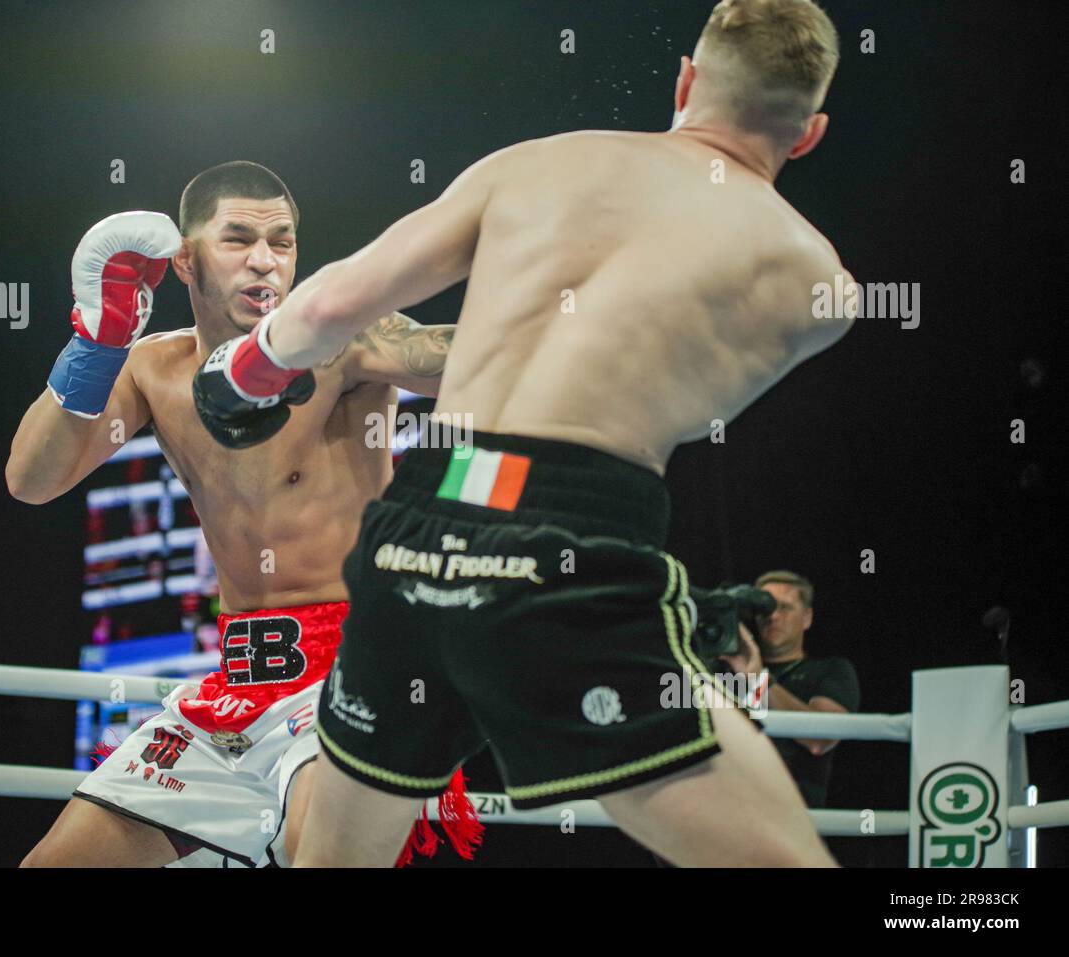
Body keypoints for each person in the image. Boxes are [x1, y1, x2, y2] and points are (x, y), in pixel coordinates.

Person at [192, 0, 856, 867]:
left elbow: (326, 306)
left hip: (418, 521)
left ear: (686, 80)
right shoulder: (821, 282)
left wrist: (243, 373)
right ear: (808, 135)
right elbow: (680, 402)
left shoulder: (542, 163)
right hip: (564, 537)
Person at [9, 161, 474, 867]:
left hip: (351, 669)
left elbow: (466, 354)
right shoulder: (151, 369)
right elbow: (31, 480)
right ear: (185, 260)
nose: (265, 260)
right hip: (235, 686)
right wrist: (96, 343)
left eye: (282, 242)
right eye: (238, 240)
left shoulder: (344, 343)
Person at [722, 570, 860, 808]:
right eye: (765, 609)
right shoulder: (724, 672)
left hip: (792, 816)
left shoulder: (831, 670)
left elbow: (820, 739)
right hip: (729, 813)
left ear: (807, 617)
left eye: (784, 608)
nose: (773, 616)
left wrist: (758, 680)